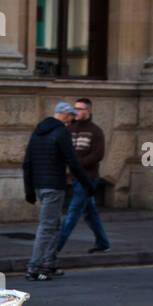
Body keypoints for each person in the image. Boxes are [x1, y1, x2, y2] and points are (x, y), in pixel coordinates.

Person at [22, 102, 94, 280]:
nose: (71, 120)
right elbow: (72, 160)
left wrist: (29, 189)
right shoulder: (61, 132)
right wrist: (87, 184)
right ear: (64, 115)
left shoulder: (38, 132)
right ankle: (34, 267)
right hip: (54, 185)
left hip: (39, 185)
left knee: (54, 225)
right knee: (47, 227)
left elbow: (27, 162)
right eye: (70, 116)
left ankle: (50, 263)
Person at [49, 97, 110, 261]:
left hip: (88, 179)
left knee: (72, 213)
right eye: (75, 108)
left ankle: (55, 248)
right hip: (73, 178)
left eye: (81, 108)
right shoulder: (69, 129)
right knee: (90, 213)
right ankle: (103, 242)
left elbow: (98, 154)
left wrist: (76, 164)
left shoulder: (95, 131)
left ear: (88, 112)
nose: (76, 111)